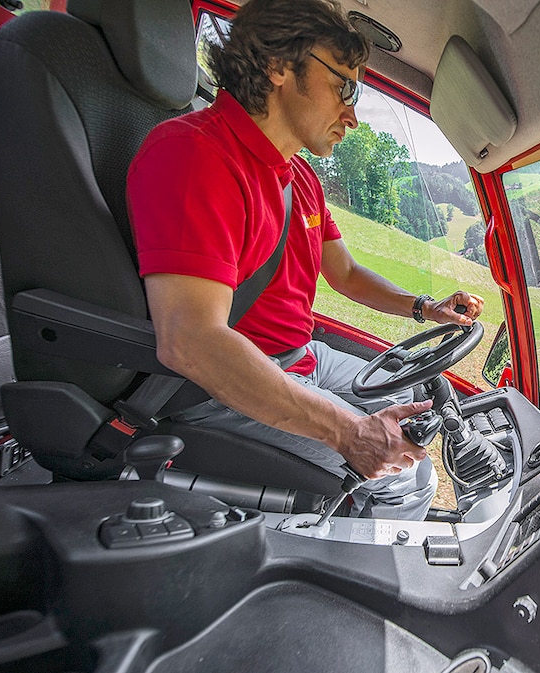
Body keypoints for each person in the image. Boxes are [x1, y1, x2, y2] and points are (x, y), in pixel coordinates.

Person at [126, 0, 483, 520]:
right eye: (344, 88)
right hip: (219, 384)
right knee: (407, 482)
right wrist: (347, 431)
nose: (353, 116)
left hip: (300, 353)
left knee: (418, 397)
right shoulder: (194, 155)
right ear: (277, 65)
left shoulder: (301, 180)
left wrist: (426, 308)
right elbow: (191, 340)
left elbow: (346, 274)